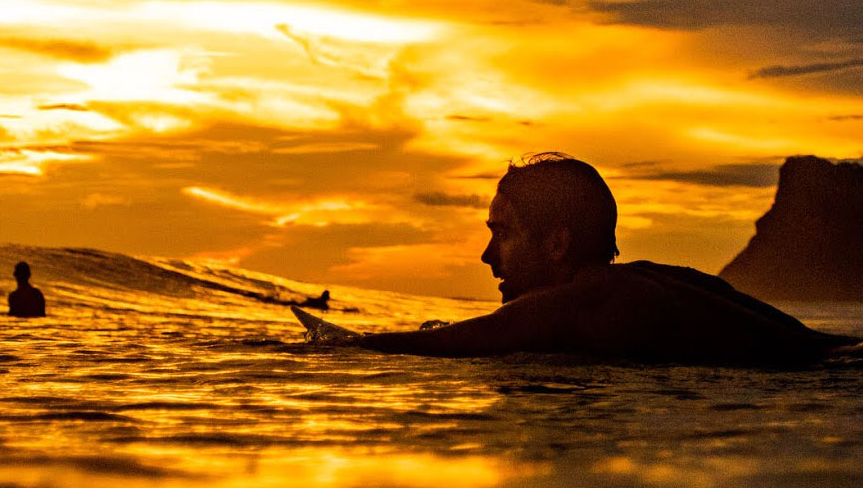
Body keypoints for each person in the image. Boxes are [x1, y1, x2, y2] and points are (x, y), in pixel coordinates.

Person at [346, 153, 858, 365]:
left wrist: (336, 345)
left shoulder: (580, 302)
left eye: (501, 234)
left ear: (557, 244)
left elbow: (467, 341)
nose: (486, 256)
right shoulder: (656, 281)